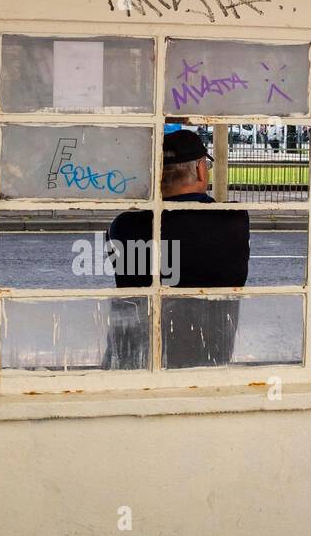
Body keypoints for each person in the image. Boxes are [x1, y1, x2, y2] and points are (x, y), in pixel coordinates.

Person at [107, 129, 251, 368]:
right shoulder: (233, 219)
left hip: (141, 357)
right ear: (200, 170)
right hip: (211, 356)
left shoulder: (125, 226)